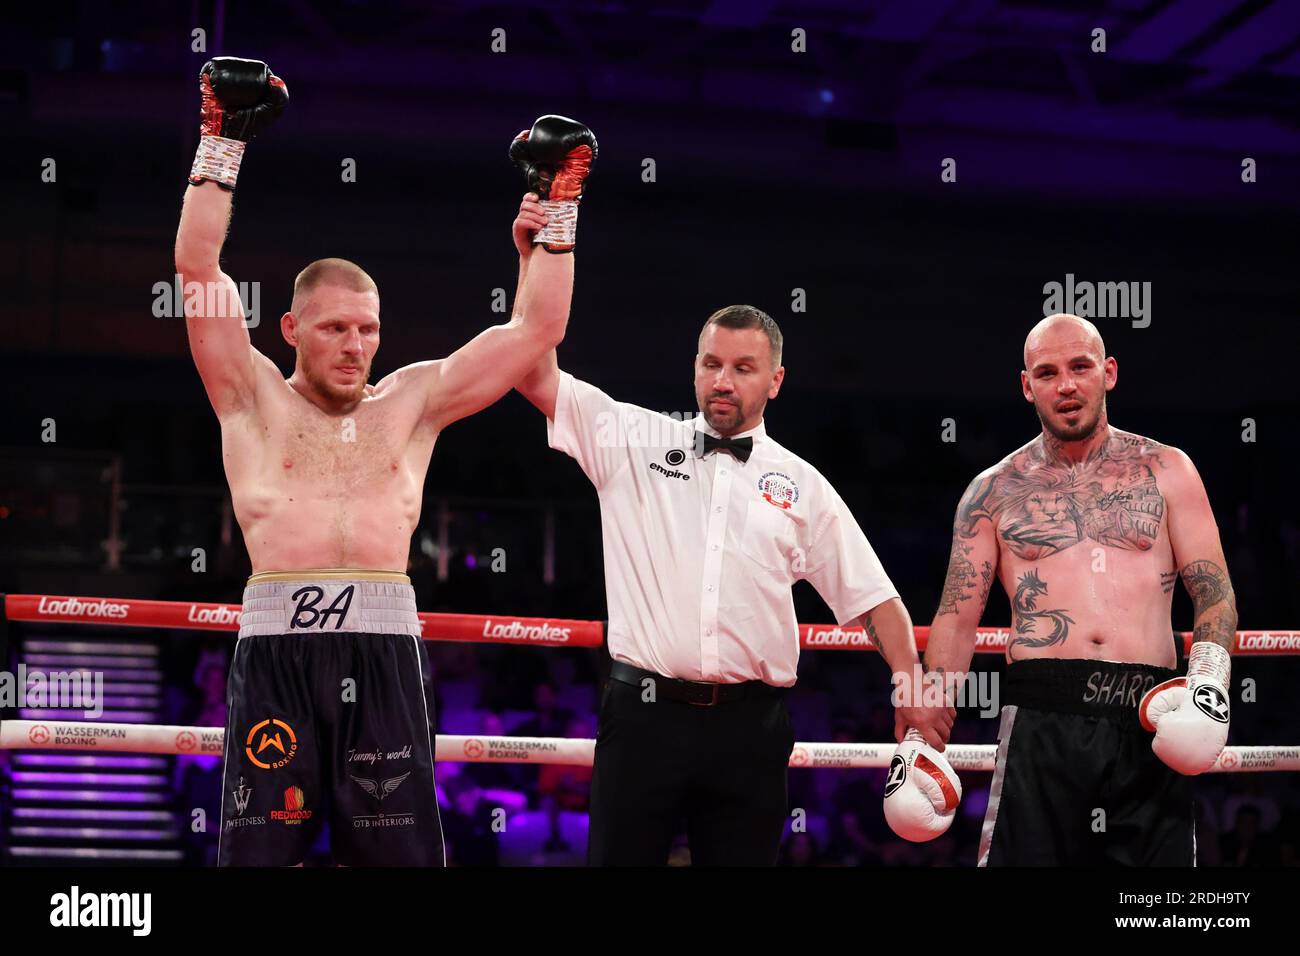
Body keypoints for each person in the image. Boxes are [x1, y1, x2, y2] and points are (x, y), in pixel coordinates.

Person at [176, 56, 595, 865]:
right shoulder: (249, 397)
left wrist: (559, 206)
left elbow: (534, 333)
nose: (356, 345)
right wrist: (221, 142)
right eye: (335, 328)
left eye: (367, 329)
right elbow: (198, 273)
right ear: (292, 330)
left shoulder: (412, 403)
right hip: (276, 654)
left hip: (385, 657)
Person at [515, 302, 949, 865]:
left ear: (776, 381)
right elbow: (533, 369)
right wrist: (544, 251)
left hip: (750, 730)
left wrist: (911, 689)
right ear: (694, 367)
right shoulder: (633, 439)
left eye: (743, 368)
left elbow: (875, 599)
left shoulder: (802, 485)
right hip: (643, 714)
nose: (722, 381)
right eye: (711, 364)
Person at [923, 313, 1236, 865]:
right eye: (1047, 373)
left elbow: (1213, 591)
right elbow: (957, 617)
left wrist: (1209, 683)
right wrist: (923, 734)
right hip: (1043, 713)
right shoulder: (991, 492)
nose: (1065, 385)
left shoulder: (1169, 470)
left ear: (1108, 373)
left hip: (1152, 710)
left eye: (1080, 367)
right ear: (1027, 386)